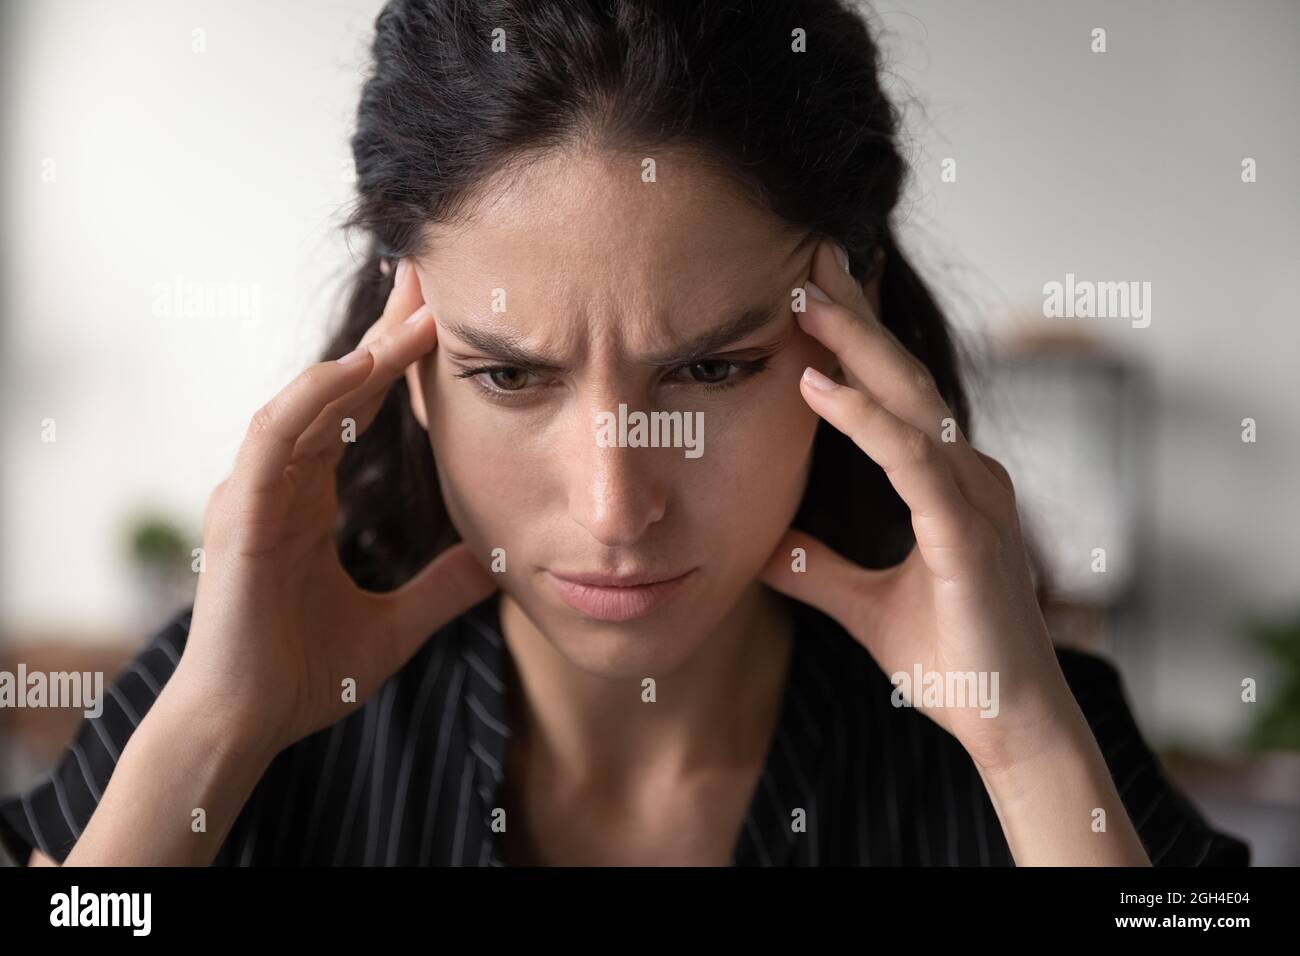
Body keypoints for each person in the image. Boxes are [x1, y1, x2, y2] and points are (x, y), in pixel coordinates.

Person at [0, 0, 1249, 867]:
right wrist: (206, 743)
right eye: (507, 375)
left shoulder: (1036, 722)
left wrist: (1027, 746)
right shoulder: (224, 696)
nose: (614, 505)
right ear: (408, 362)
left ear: (850, 329)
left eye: (711, 366)